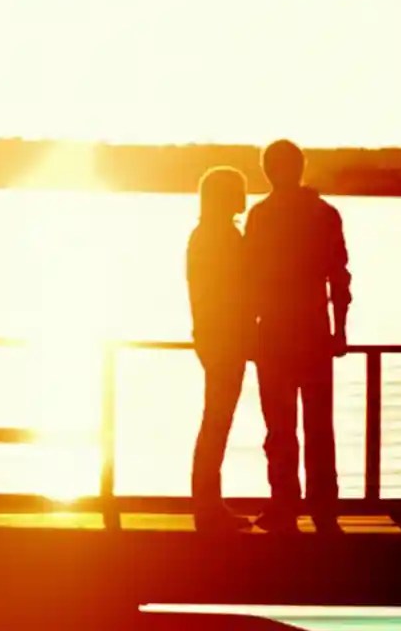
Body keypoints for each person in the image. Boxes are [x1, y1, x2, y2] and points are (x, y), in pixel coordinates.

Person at [244, 139, 351, 533]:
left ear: (268, 170)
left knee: (281, 429)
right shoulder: (323, 214)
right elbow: (338, 276)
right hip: (312, 333)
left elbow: (247, 283)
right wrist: (339, 330)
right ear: (300, 167)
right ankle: (323, 510)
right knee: (318, 427)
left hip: (274, 333)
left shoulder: (262, 216)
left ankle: (286, 506)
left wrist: (246, 332)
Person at [186, 166, 252, 531]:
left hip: (212, 337)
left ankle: (208, 504)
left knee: (215, 420)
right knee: (216, 422)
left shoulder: (203, 234)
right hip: (224, 340)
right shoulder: (222, 236)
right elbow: (235, 290)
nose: (244, 197)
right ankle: (208, 508)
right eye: (239, 190)